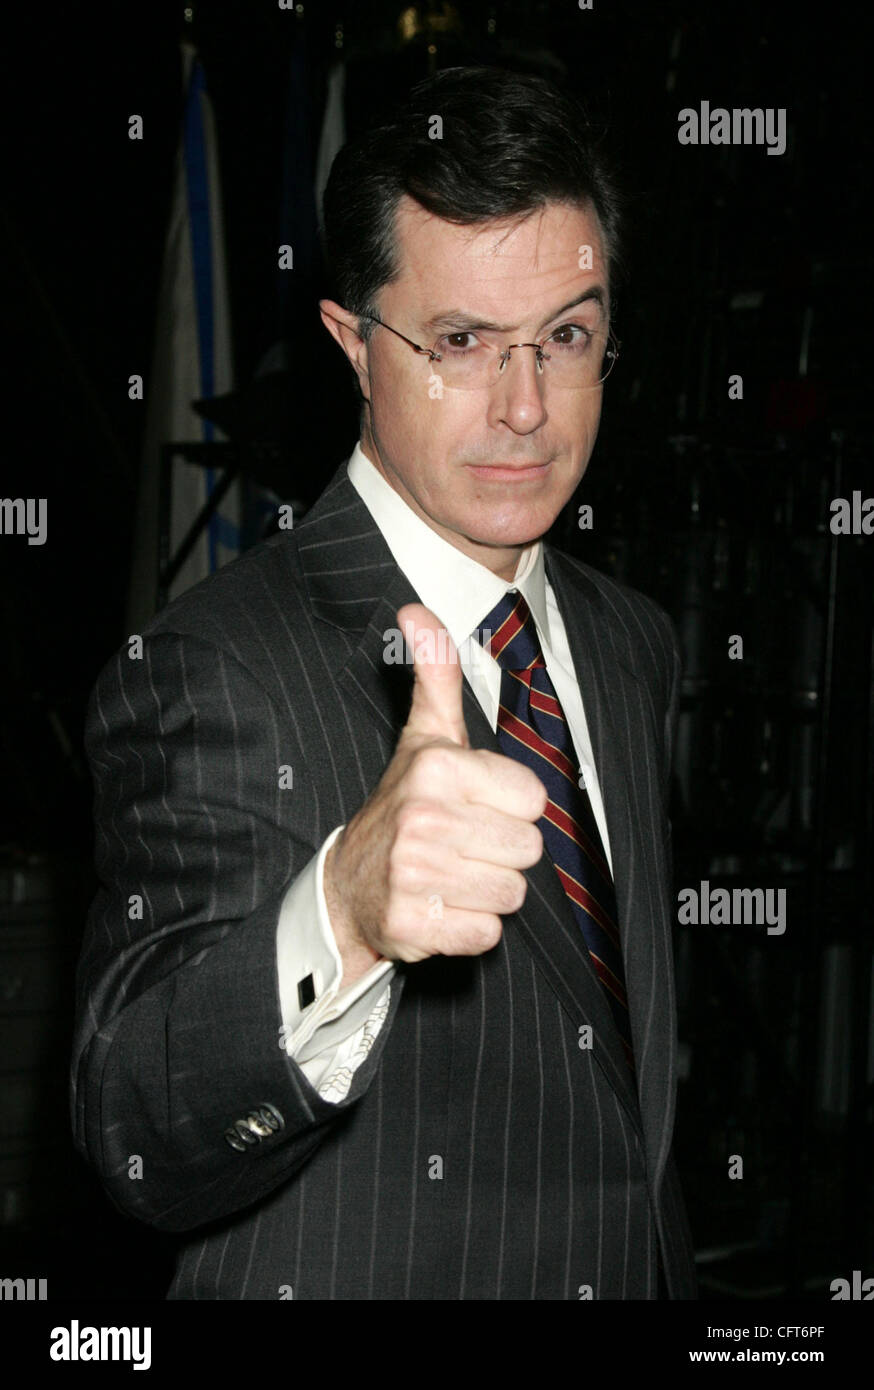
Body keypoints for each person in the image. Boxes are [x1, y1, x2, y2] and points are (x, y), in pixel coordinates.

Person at [71, 65, 696, 1300]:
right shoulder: (213, 663)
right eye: (460, 342)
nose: (524, 408)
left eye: (565, 336)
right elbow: (133, 1129)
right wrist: (343, 915)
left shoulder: (631, 643)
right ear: (353, 345)